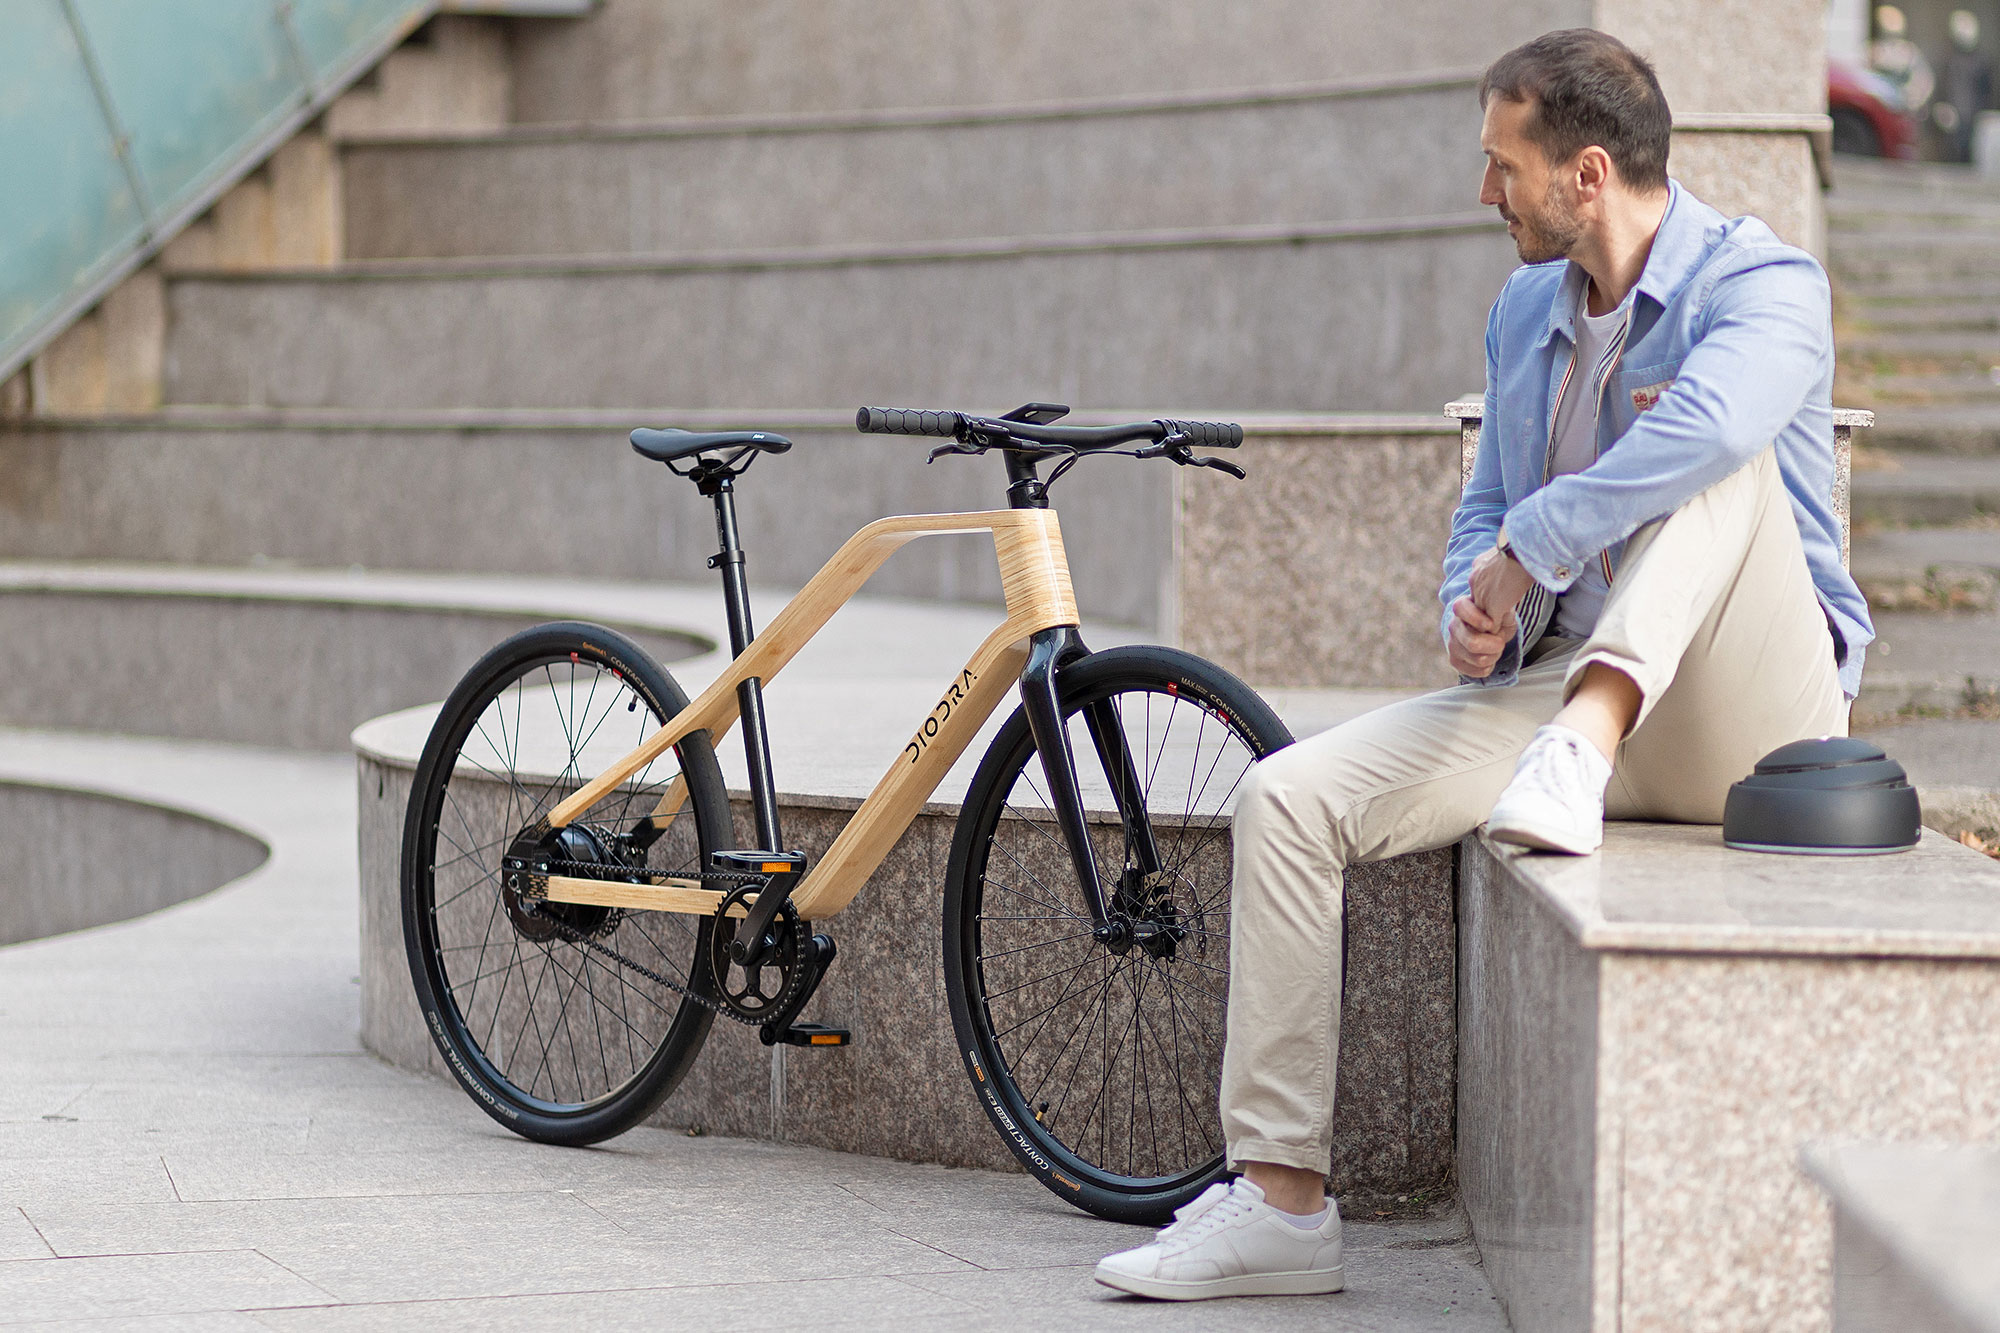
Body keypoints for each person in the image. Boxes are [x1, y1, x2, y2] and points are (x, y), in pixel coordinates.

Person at [1093, 28, 1872, 1301]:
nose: (1480, 193)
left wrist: (1529, 545)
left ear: (1583, 171)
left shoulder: (1763, 285)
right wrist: (1477, 602)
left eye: (1498, 164)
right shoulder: (1524, 309)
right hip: (1552, 694)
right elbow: (1488, 504)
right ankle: (1280, 1201)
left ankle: (1586, 734)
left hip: (1754, 725)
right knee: (1284, 799)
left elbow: (1711, 434)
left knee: (1705, 441)